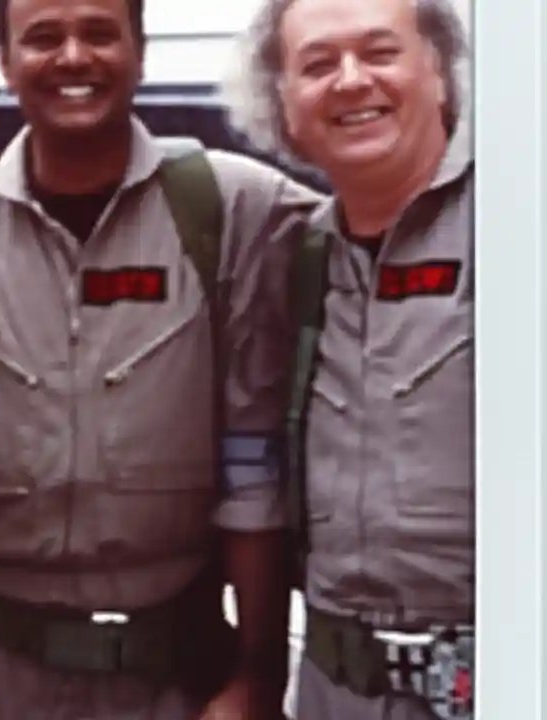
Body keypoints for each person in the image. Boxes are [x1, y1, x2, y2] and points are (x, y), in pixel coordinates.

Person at [0, 0, 323, 718]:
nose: (73, 57)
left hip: (173, 679)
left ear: (139, 49)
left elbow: (253, 471)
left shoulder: (230, 209)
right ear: (5, 62)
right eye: (43, 38)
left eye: (99, 32)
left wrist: (256, 677)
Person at [225, 0, 474, 718]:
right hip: (331, 691)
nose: (351, 79)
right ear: (283, 105)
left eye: (380, 51)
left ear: (438, 71)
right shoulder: (295, 258)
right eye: (317, 64)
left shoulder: (520, 218)